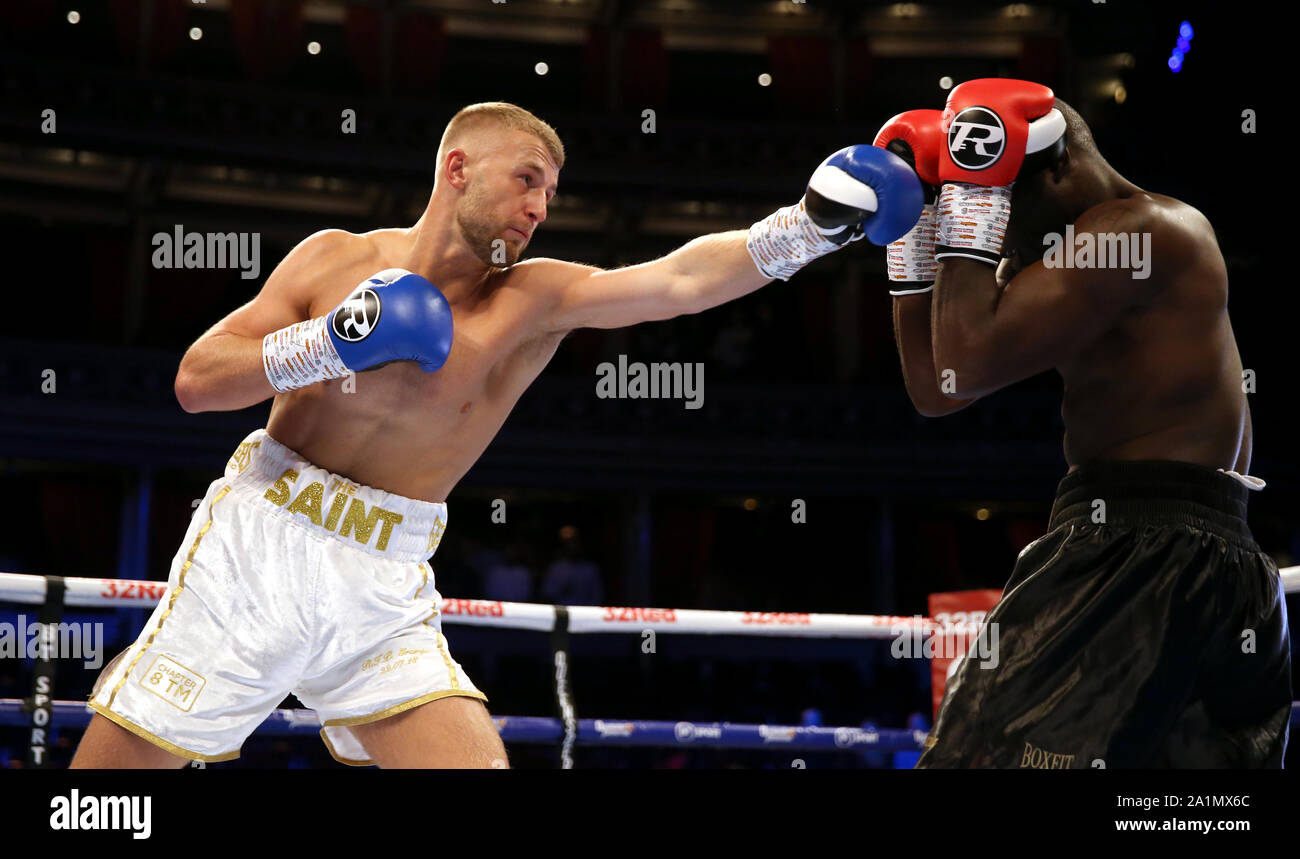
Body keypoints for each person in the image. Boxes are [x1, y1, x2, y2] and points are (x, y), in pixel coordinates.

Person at [70, 101, 923, 768]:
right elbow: (195, 380)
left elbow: (677, 281)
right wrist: (327, 341)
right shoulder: (335, 260)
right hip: (262, 540)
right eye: (527, 179)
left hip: (384, 577)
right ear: (457, 167)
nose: (540, 207)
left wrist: (809, 227)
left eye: (551, 191)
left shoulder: (535, 300)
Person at [881, 80, 1290, 767]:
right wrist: (913, 233)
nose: (999, 234)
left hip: (1140, 548)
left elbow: (963, 358)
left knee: (980, 755)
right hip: (1195, 559)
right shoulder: (1078, 250)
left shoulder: (1141, 231)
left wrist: (967, 196)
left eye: (1003, 206)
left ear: (1058, 163)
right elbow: (938, 387)